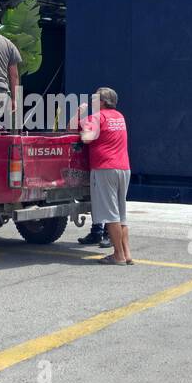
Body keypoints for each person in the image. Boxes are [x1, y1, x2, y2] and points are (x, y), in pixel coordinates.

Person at [79, 87, 131, 264]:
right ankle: (127, 254)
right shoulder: (119, 116)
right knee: (121, 214)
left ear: (101, 101)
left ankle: (118, 255)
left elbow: (86, 138)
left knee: (110, 215)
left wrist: (83, 117)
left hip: (105, 168)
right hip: (123, 167)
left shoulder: (97, 117)